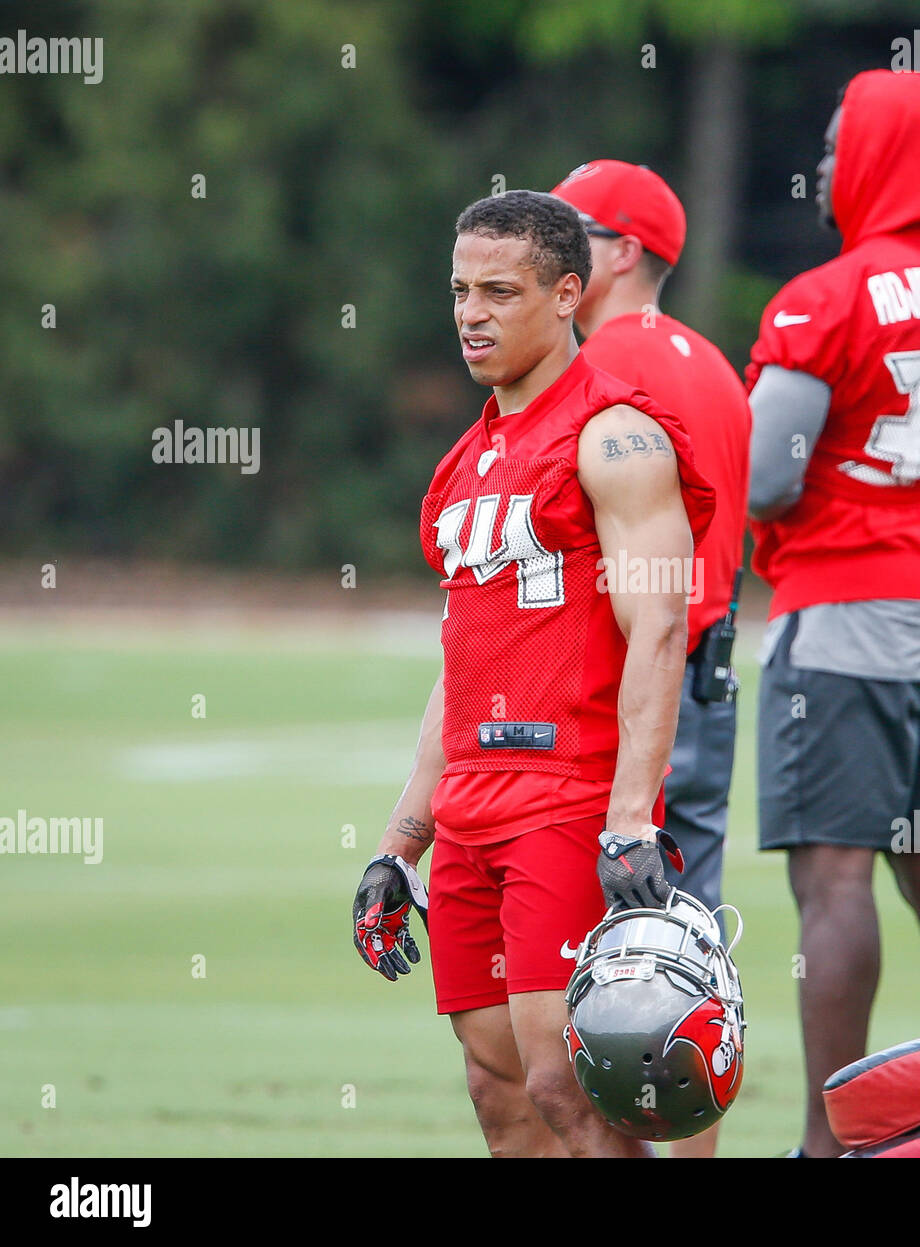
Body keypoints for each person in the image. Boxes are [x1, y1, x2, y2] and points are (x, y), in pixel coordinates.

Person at [350, 189, 714, 1158]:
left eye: (499, 291)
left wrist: (632, 814)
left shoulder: (616, 436)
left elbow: (661, 628)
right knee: (495, 1077)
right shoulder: (467, 461)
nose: (471, 312)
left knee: (568, 1077)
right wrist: (401, 842)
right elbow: (458, 665)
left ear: (566, 293)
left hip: (567, 792)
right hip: (471, 802)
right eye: (461, 290)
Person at [746, 70, 920, 1158]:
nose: (823, 166)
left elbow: (769, 478)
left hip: (845, 606)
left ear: (881, 157)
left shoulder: (824, 295)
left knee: (832, 876)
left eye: (837, 143)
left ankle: (830, 1138)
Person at [551, 159, 751, 1158]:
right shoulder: (713, 362)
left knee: (611, 977)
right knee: (683, 963)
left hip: (635, 684)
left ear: (625, 249)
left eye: (571, 228)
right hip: (708, 672)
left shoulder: (606, 367)